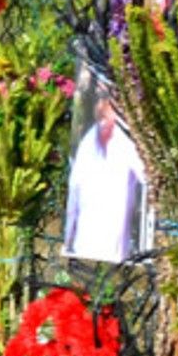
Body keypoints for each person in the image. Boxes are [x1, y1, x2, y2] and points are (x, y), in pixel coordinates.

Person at [62, 92, 148, 264]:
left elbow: (146, 178)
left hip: (108, 240)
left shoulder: (124, 142)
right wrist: (68, 236)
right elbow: (74, 190)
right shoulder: (90, 141)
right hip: (90, 238)